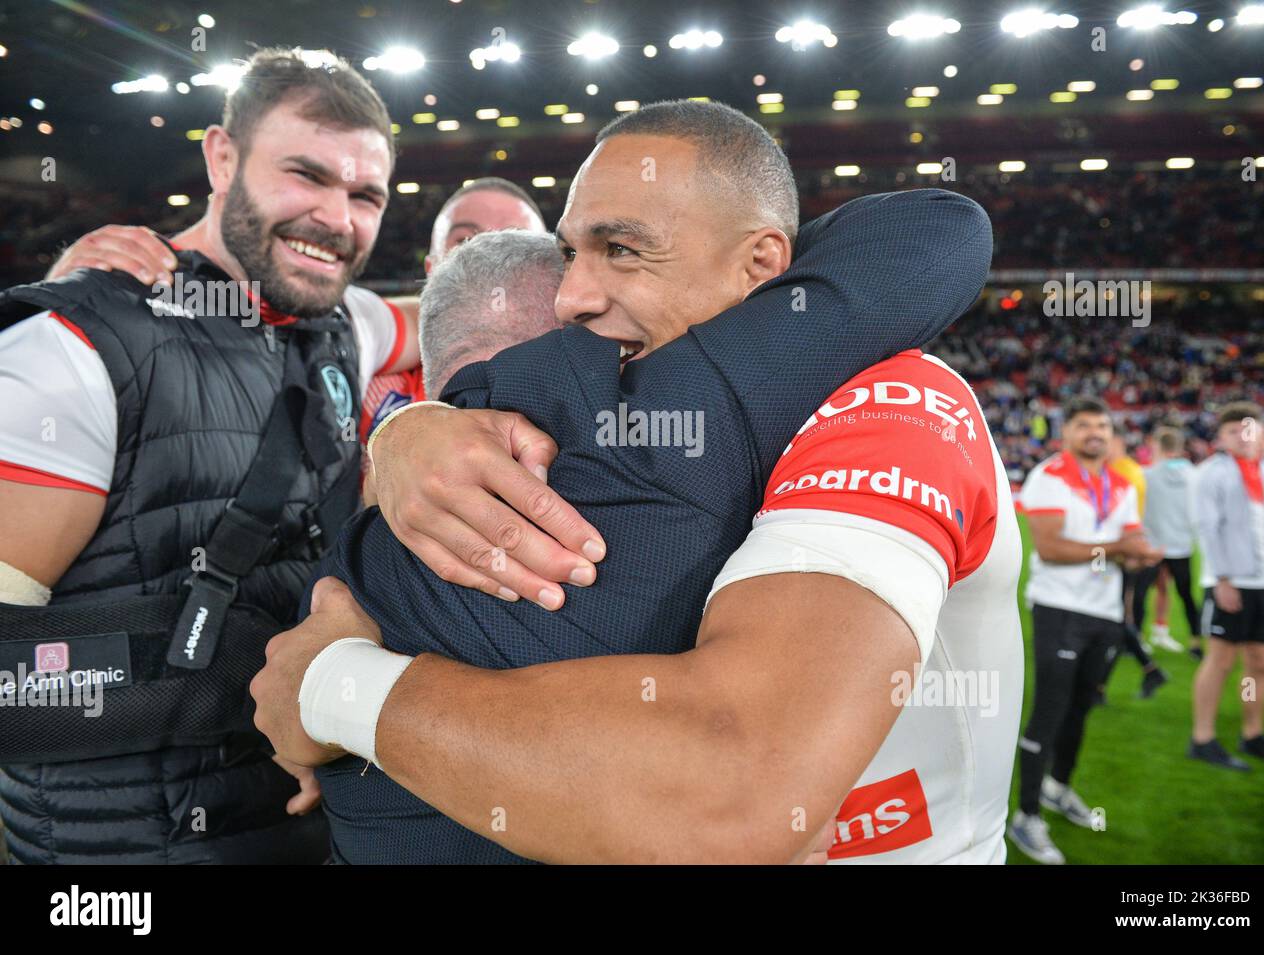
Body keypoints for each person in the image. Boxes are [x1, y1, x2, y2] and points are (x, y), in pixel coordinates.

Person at [251, 100, 1023, 865]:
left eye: (622, 248)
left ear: (764, 265)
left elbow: (733, 791)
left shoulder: (892, 403)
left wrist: (332, 683)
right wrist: (408, 429)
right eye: (571, 253)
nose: (570, 296)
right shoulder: (612, 422)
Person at [0, 48, 418, 863]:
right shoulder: (71, 354)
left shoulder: (342, 323)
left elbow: (461, 306)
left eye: (365, 194)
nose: (337, 218)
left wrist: (421, 422)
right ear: (221, 158)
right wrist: (243, 674)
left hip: (315, 834)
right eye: (306, 175)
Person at [1009, 397, 1163, 865]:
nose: (1094, 432)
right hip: (1060, 608)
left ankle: (1059, 788)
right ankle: (1026, 815)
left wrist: (1138, 554)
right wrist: (1118, 548)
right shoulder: (1049, 477)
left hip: (1105, 613)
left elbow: (1130, 545)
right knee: (1049, 710)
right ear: (1067, 433)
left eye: (1102, 424)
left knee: (1082, 707)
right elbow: (1053, 549)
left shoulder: (1120, 483)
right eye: (1084, 425)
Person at [359, 177, 547, 444]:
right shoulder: (374, 389)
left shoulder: (595, 381)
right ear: (430, 270)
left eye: (512, 242)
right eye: (466, 240)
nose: (486, 258)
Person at [1188, 402, 1264, 770]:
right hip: (1229, 582)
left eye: (1249, 429)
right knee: (1220, 660)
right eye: (1234, 430)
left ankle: (1252, 734)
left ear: (1262, 434)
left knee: (1259, 661)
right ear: (1221, 437)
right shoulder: (1211, 474)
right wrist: (1221, 579)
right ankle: (1202, 738)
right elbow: (1208, 529)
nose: (1243, 436)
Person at [1106, 431, 1170, 698]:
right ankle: (1099, 686)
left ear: (1119, 442)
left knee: (1113, 617)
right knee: (1112, 617)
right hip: (1120, 552)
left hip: (1123, 553)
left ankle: (1150, 670)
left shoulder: (1126, 473)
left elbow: (1122, 516)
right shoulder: (1122, 470)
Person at [1132, 426, 1201, 654]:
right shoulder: (1196, 474)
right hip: (1182, 545)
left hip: (1152, 545)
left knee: (1140, 593)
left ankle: (1136, 640)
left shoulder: (1145, 474)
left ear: (1157, 446)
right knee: (1185, 595)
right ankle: (1195, 642)